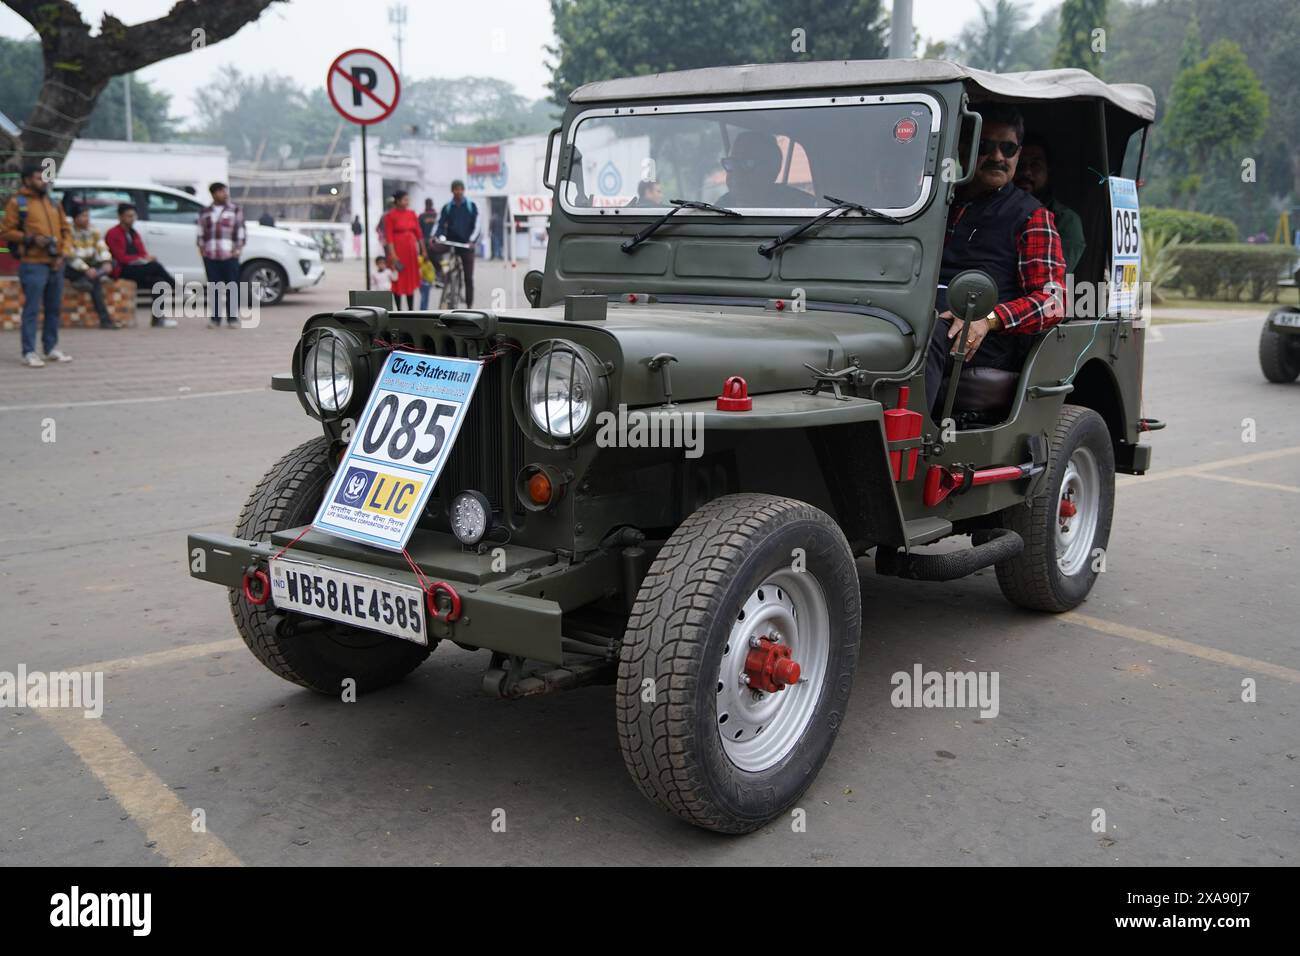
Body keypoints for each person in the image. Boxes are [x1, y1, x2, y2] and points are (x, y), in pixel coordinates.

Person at [923, 103, 1066, 419]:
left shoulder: (1031, 216)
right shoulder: (935, 203)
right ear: (963, 150)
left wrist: (987, 319)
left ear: (1017, 154)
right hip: (921, 315)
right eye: (985, 146)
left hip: (982, 336)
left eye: (1008, 148)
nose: (998, 157)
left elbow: (1052, 302)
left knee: (928, 334)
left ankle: (909, 442)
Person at [1, 163, 73, 366]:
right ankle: (29, 352)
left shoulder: (53, 202)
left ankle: (51, 348)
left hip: (56, 263)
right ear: (27, 180)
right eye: (38, 178)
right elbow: (6, 231)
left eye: (45, 178)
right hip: (33, 263)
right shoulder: (17, 202)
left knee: (54, 308)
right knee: (32, 309)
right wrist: (30, 239)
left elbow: (66, 230)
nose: (43, 182)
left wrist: (64, 252)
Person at [1014, 135, 1086, 274]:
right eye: (1020, 164)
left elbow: (1051, 276)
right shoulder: (997, 209)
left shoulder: (1065, 220)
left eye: (1035, 165)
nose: (1026, 172)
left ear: (1048, 170)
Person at [105, 203, 178, 327]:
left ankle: (158, 319)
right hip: (121, 269)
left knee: (158, 281)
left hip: (136, 269)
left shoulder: (134, 233)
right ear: (120, 217)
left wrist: (145, 259)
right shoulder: (113, 233)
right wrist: (141, 259)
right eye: (128, 216)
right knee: (155, 266)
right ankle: (176, 287)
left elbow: (142, 252)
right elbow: (120, 258)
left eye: (133, 216)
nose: (132, 219)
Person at [716, 131, 817, 208]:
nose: (736, 173)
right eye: (731, 163)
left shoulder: (801, 207)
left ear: (773, 169)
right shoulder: (721, 208)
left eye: (747, 164)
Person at [197, 181, 246, 328]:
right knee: (214, 288)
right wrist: (202, 250)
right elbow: (200, 232)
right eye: (221, 191)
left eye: (225, 191)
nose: (225, 194)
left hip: (229, 255)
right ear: (213, 194)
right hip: (211, 256)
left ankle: (232, 318)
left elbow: (240, 231)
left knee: (232, 287)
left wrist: (238, 249)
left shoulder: (235, 210)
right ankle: (215, 319)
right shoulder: (205, 212)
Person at [65, 204, 120, 329]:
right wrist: (86, 269)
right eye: (83, 216)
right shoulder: (68, 231)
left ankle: (84, 280)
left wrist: (106, 261)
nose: (87, 219)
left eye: (87, 216)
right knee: (94, 282)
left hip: (91, 267)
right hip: (75, 267)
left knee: (112, 263)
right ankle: (105, 320)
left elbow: (102, 248)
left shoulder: (93, 230)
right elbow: (70, 256)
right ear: (75, 218)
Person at [435, 179, 478, 307]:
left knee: (468, 278)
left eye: (460, 189)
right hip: (450, 242)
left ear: (463, 190)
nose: (458, 192)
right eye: (455, 189)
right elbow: (440, 224)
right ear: (452, 191)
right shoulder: (447, 207)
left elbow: (477, 226)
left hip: (466, 245)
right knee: (431, 248)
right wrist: (437, 236)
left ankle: (469, 306)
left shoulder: (471, 206)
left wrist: (472, 240)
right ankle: (440, 275)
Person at [383, 190, 421, 310]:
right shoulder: (390, 216)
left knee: (410, 281)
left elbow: (419, 234)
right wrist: (393, 254)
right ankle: (399, 310)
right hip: (397, 252)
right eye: (405, 199)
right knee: (397, 280)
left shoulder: (412, 214)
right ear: (398, 201)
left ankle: (411, 310)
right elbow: (389, 237)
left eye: (408, 199)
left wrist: (423, 250)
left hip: (410, 252)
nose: (407, 202)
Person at [417, 198, 439, 308]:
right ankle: (434, 279)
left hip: (426, 244)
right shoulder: (435, 215)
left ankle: (428, 280)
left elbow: (418, 231)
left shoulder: (422, 216)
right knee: (434, 262)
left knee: (427, 263)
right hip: (433, 243)